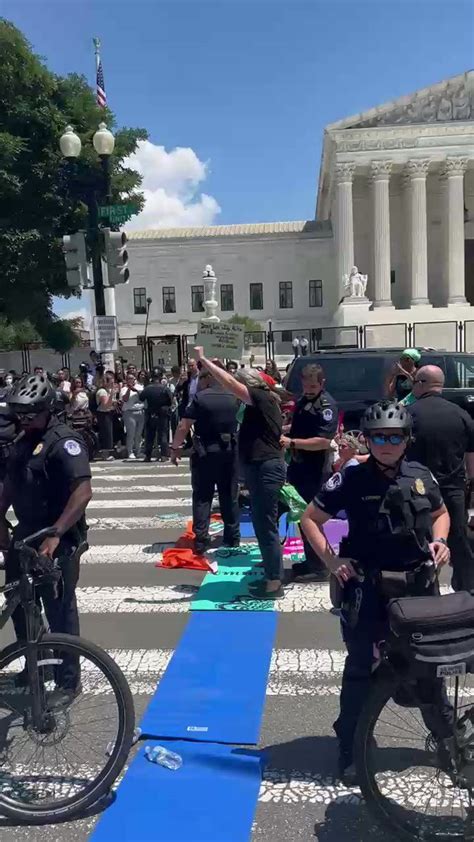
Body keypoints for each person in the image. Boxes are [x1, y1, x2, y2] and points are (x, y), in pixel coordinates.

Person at [301, 400, 451, 783]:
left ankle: (447, 740)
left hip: (418, 588)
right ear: (367, 439)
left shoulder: (420, 475)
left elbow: (439, 512)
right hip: (368, 589)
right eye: (379, 437)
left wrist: (441, 540)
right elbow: (311, 519)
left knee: (429, 667)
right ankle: (350, 745)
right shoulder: (351, 477)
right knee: (360, 672)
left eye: (395, 437)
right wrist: (332, 563)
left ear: (407, 439)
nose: (387, 444)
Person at [0, 374, 92, 702]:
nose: (23, 420)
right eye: (19, 414)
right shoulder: (23, 443)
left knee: (60, 610)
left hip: (59, 536)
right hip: (25, 535)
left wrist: (56, 533)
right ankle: (36, 664)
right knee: (21, 607)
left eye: (30, 414)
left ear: (47, 409)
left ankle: (68, 681)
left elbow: (82, 492)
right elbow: (9, 486)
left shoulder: (64, 441)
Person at [194, 348, 285, 599]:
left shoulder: (260, 397)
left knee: (265, 525)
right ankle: (272, 575)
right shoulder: (264, 400)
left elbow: (231, 383)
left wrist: (204, 361)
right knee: (262, 523)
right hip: (261, 466)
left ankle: (274, 584)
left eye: (241, 386)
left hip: (266, 467)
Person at [407, 364, 474, 591]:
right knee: (459, 540)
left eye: (414, 382)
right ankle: (467, 589)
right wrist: (470, 485)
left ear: (422, 384)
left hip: (418, 489)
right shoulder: (462, 414)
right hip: (453, 488)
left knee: (419, 541)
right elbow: (471, 457)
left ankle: (425, 589)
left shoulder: (410, 414)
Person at [171, 367, 241, 555]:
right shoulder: (234, 396)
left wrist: (175, 448)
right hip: (230, 450)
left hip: (205, 452)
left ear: (207, 379)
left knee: (203, 496)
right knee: (229, 495)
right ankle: (232, 536)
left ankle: (201, 538)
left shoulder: (200, 398)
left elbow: (183, 425)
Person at [281, 363, 338, 581]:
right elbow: (300, 427)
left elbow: (323, 441)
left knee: (311, 518)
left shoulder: (326, 406)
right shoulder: (304, 400)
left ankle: (320, 567)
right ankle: (311, 560)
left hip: (314, 470)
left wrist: (291, 442)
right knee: (301, 517)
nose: (309, 389)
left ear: (322, 383)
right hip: (299, 466)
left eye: (313, 386)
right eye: (306, 386)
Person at [141, 369, 172, 462]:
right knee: (163, 434)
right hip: (162, 413)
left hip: (151, 413)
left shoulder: (147, 388)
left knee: (149, 435)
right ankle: (163, 455)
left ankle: (148, 455)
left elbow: (141, 397)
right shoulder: (165, 388)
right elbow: (170, 400)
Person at [120, 372, 145, 460]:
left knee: (139, 434)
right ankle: (130, 451)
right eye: (128, 379)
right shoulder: (123, 389)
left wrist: (135, 390)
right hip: (129, 412)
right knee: (131, 433)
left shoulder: (140, 387)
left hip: (140, 411)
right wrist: (129, 389)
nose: (131, 380)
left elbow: (143, 397)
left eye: (132, 378)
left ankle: (138, 451)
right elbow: (125, 399)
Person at [95, 370, 118, 460]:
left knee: (110, 434)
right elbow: (105, 405)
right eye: (111, 382)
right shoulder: (102, 392)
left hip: (109, 413)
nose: (113, 384)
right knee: (106, 433)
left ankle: (108, 452)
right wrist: (112, 394)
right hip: (103, 414)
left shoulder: (108, 391)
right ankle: (105, 454)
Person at [168, 365, 182, 436]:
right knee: (174, 422)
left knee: (182, 422)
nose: (174, 374)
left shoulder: (182, 380)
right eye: (173, 372)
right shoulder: (170, 381)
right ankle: (175, 437)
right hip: (174, 404)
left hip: (182, 402)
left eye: (176, 372)